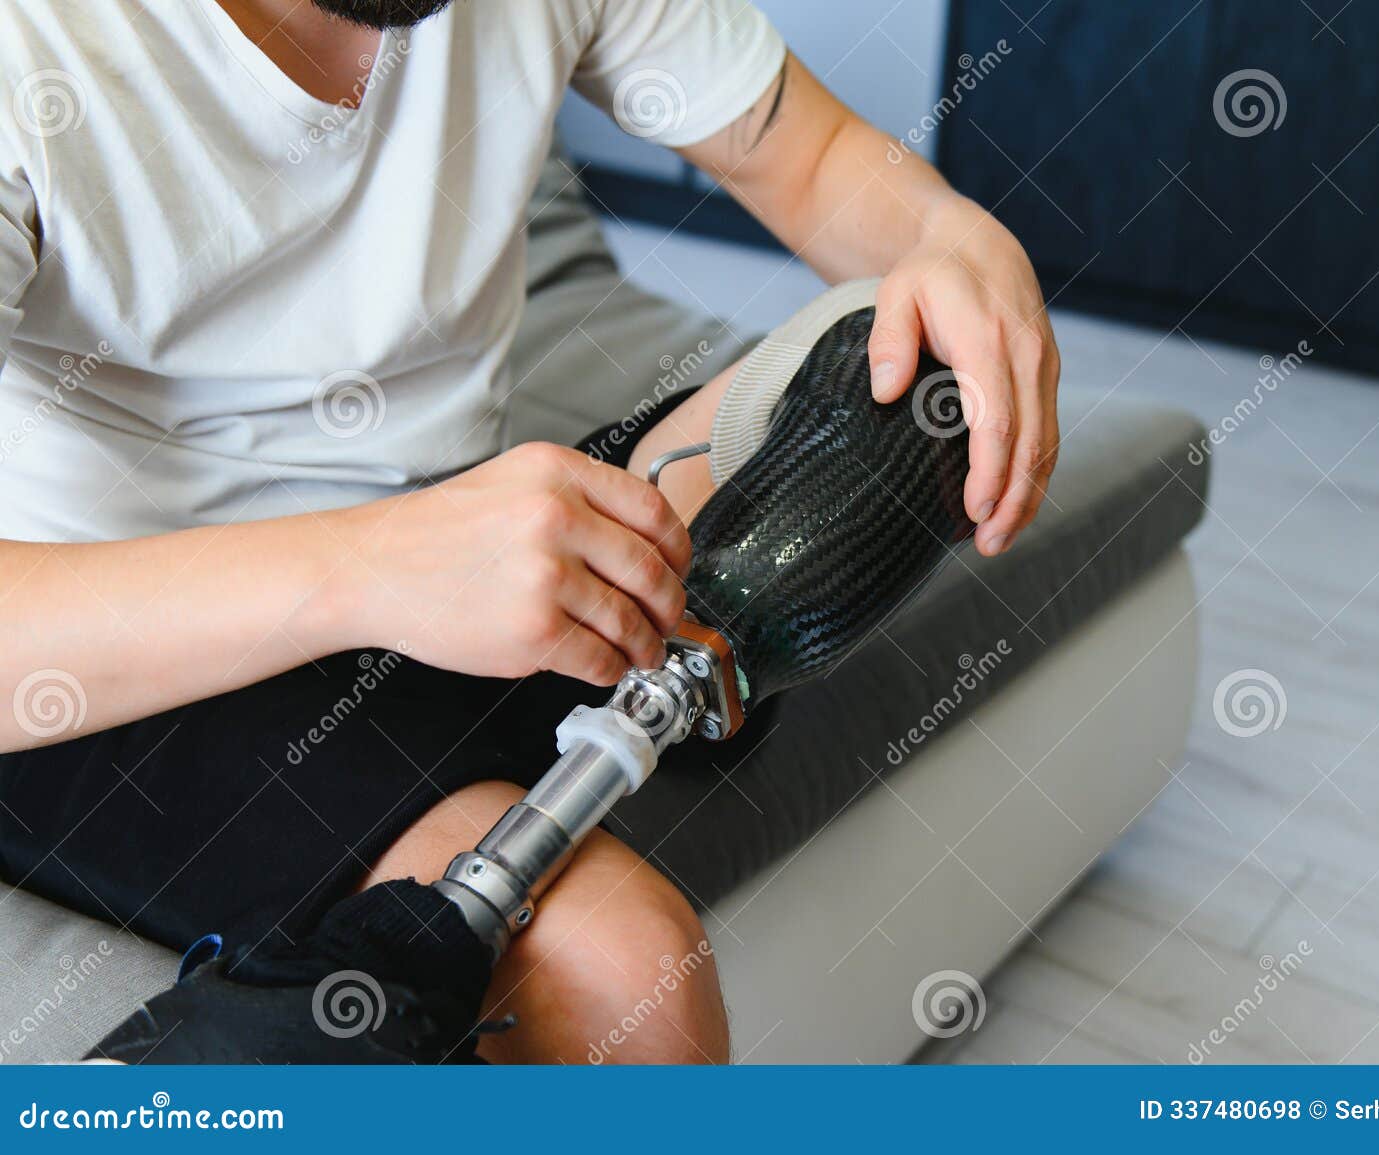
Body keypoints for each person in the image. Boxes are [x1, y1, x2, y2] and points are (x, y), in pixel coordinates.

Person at [0, 0, 1061, 1064]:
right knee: (625, 970)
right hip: (113, 663)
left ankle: (679, 667)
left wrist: (963, 249)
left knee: (908, 371)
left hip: (463, 568)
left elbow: (814, 157)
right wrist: (369, 566)